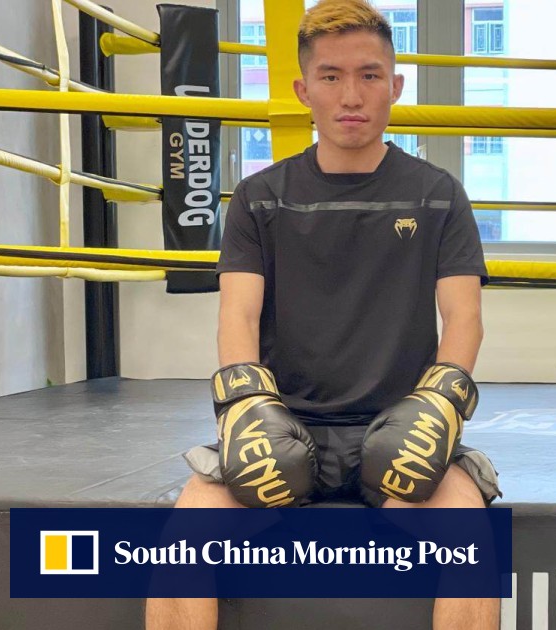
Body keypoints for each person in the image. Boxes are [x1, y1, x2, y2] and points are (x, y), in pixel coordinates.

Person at [144, 1, 501, 627]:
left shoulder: (437, 193)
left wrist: (438, 408)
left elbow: (463, 318)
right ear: (303, 89)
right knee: (185, 537)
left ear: (395, 86)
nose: (351, 95)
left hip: (401, 427)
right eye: (331, 76)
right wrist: (246, 411)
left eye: (369, 75)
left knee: (472, 545)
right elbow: (238, 316)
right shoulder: (260, 197)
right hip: (285, 428)